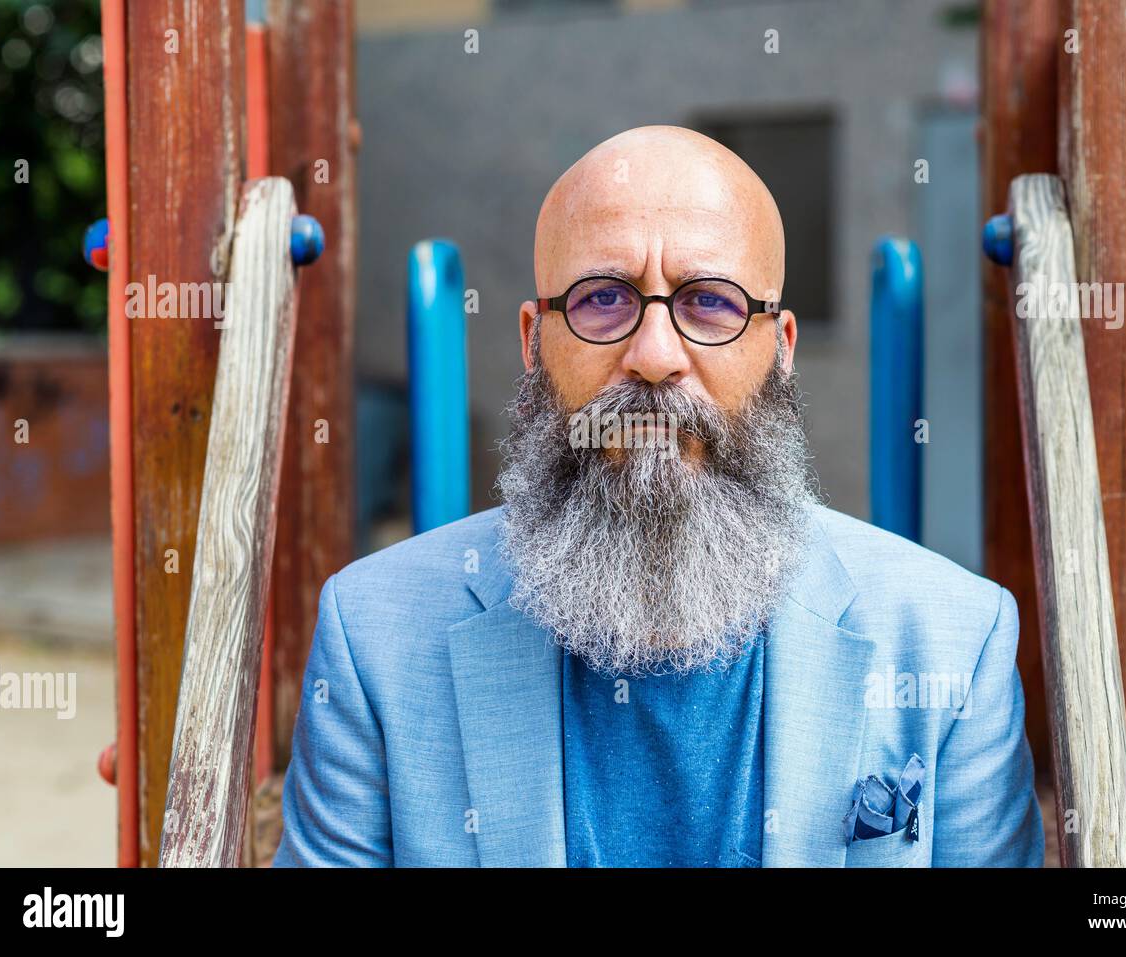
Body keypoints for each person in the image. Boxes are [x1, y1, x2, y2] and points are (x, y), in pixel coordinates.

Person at [273, 125, 1044, 868]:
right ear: (533, 342)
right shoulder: (374, 639)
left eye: (709, 302)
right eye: (603, 298)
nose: (653, 355)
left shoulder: (952, 643)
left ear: (780, 350)